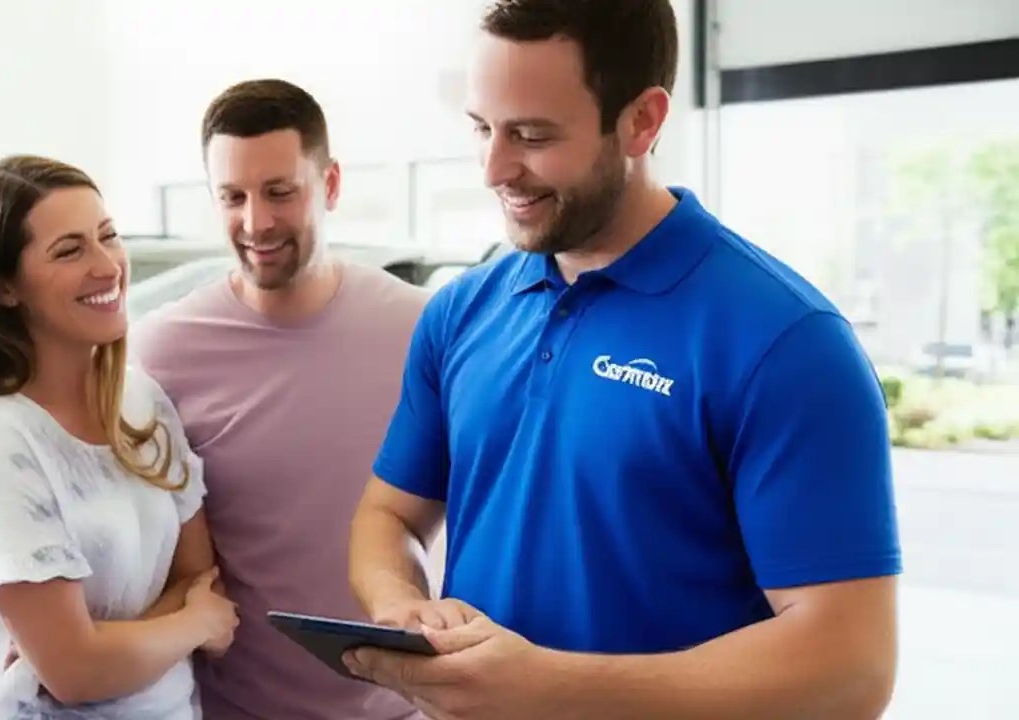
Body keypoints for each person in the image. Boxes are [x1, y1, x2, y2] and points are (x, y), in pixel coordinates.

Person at [347, 1, 902, 718]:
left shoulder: (787, 343)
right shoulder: (460, 313)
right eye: (482, 128)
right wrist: (403, 606)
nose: (494, 168)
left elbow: (850, 668)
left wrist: (547, 688)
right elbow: (388, 515)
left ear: (642, 121)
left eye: (532, 135)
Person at [0, 155, 238, 719]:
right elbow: (78, 672)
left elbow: (201, 580)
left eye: (108, 236)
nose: (108, 266)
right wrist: (192, 624)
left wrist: (96, 648)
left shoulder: (141, 401)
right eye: (70, 250)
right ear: (4, 287)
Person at [131, 79, 427, 720]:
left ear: (331, 184)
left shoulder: (421, 328)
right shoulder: (161, 352)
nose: (256, 222)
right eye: (232, 197)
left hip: (408, 708)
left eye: (279, 192)